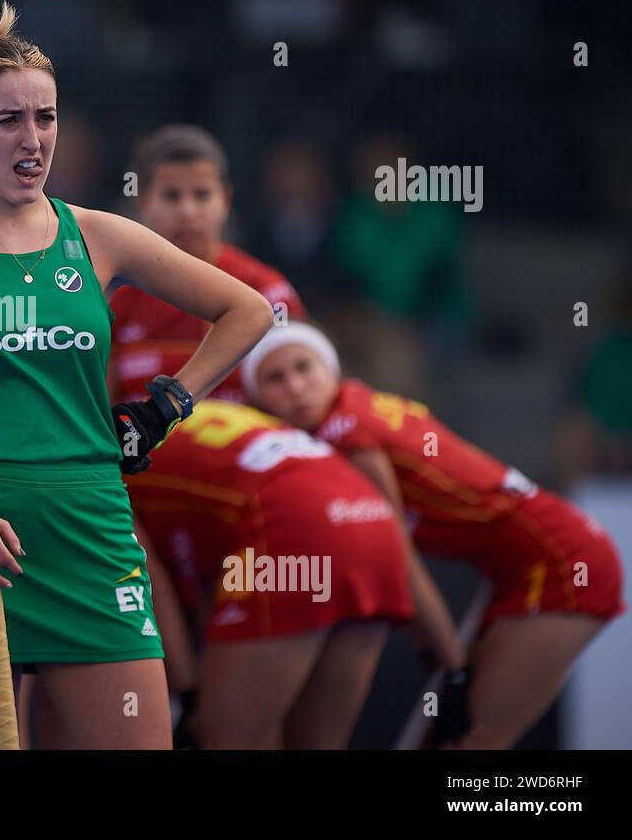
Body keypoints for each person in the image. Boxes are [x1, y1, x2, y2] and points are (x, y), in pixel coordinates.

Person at [0, 0, 273, 749]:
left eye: (46, 118)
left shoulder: (98, 235)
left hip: (90, 533)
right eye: (9, 120)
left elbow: (247, 310)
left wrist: (167, 405)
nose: (34, 138)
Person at [243, 321, 625, 748]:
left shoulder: (346, 433)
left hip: (566, 559)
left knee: (472, 734)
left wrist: (449, 662)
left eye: (303, 367)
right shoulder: (354, 409)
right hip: (523, 561)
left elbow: (397, 558)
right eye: (275, 379)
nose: (295, 387)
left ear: (330, 369)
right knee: (443, 732)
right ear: (257, 399)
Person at [122, 399, 412, 748]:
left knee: (223, 739)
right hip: (373, 519)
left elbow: (146, 583)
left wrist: (186, 692)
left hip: (298, 524)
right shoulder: (172, 418)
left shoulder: (96, 460)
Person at [109, 124, 306, 403]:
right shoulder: (115, 303)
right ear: (143, 202)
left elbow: (305, 401)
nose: (188, 211)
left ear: (225, 200)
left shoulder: (268, 291)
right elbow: (102, 419)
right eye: (171, 196)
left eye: (201, 195)